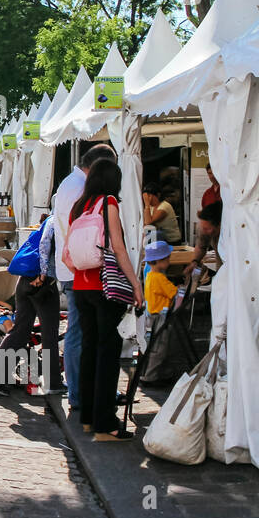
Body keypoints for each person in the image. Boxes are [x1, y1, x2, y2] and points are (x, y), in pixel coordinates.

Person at [67, 159, 143, 441]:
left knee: (89, 349)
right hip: (105, 284)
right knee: (107, 353)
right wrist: (135, 284)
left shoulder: (79, 205)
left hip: (81, 284)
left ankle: (87, 416)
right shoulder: (109, 202)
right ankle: (105, 423)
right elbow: (118, 247)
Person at [52, 143, 116, 411]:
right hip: (80, 269)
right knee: (79, 332)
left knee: (80, 331)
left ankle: (82, 391)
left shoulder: (69, 183)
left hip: (73, 267)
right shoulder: (80, 188)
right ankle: (79, 393)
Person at [0, 214, 62, 392]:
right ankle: (53, 382)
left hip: (27, 280)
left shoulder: (52, 218)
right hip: (41, 282)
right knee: (49, 332)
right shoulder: (58, 220)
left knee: (20, 330)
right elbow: (44, 244)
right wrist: (43, 275)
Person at [184, 200, 222, 283]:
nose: (204, 231)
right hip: (220, 273)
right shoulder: (203, 227)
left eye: (207, 229)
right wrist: (195, 262)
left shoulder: (231, 232)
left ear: (220, 225)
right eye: (203, 228)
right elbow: (201, 246)